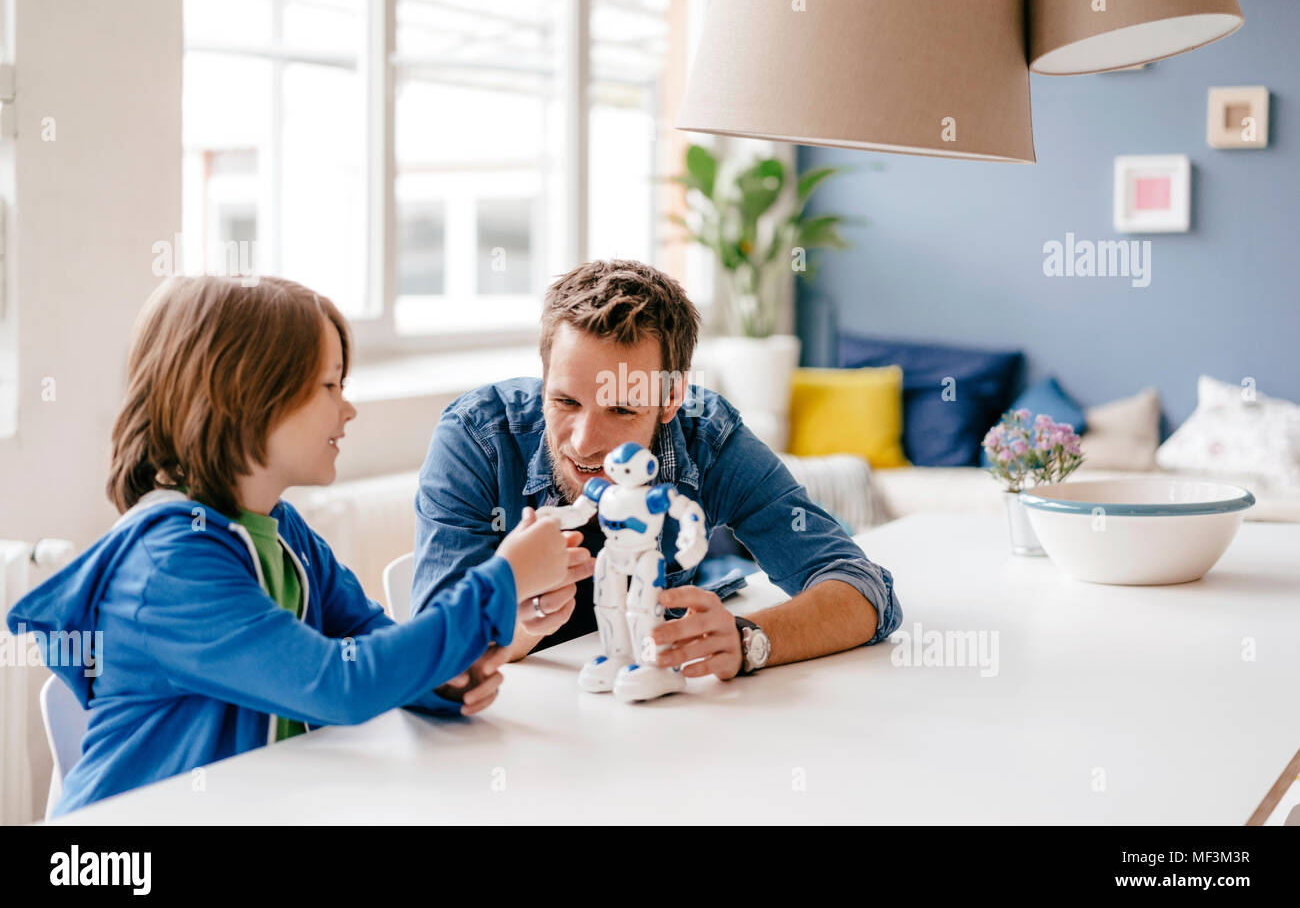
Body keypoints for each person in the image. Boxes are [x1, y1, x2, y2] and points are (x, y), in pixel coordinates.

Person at [6, 275, 582, 816]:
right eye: (329, 386)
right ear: (248, 397)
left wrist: (435, 682)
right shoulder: (170, 565)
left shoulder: (278, 529)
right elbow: (340, 684)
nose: (347, 408)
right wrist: (503, 577)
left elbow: (367, 637)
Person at [413, 259, 902, 687]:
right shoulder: (477, 439)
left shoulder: (708, 438)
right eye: (565, 401)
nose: (584, 443)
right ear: (544, 379)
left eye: (622, 410)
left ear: (671, 399)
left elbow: (861, 587)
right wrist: (522, 621)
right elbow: (428, 651)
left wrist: (748, 638)